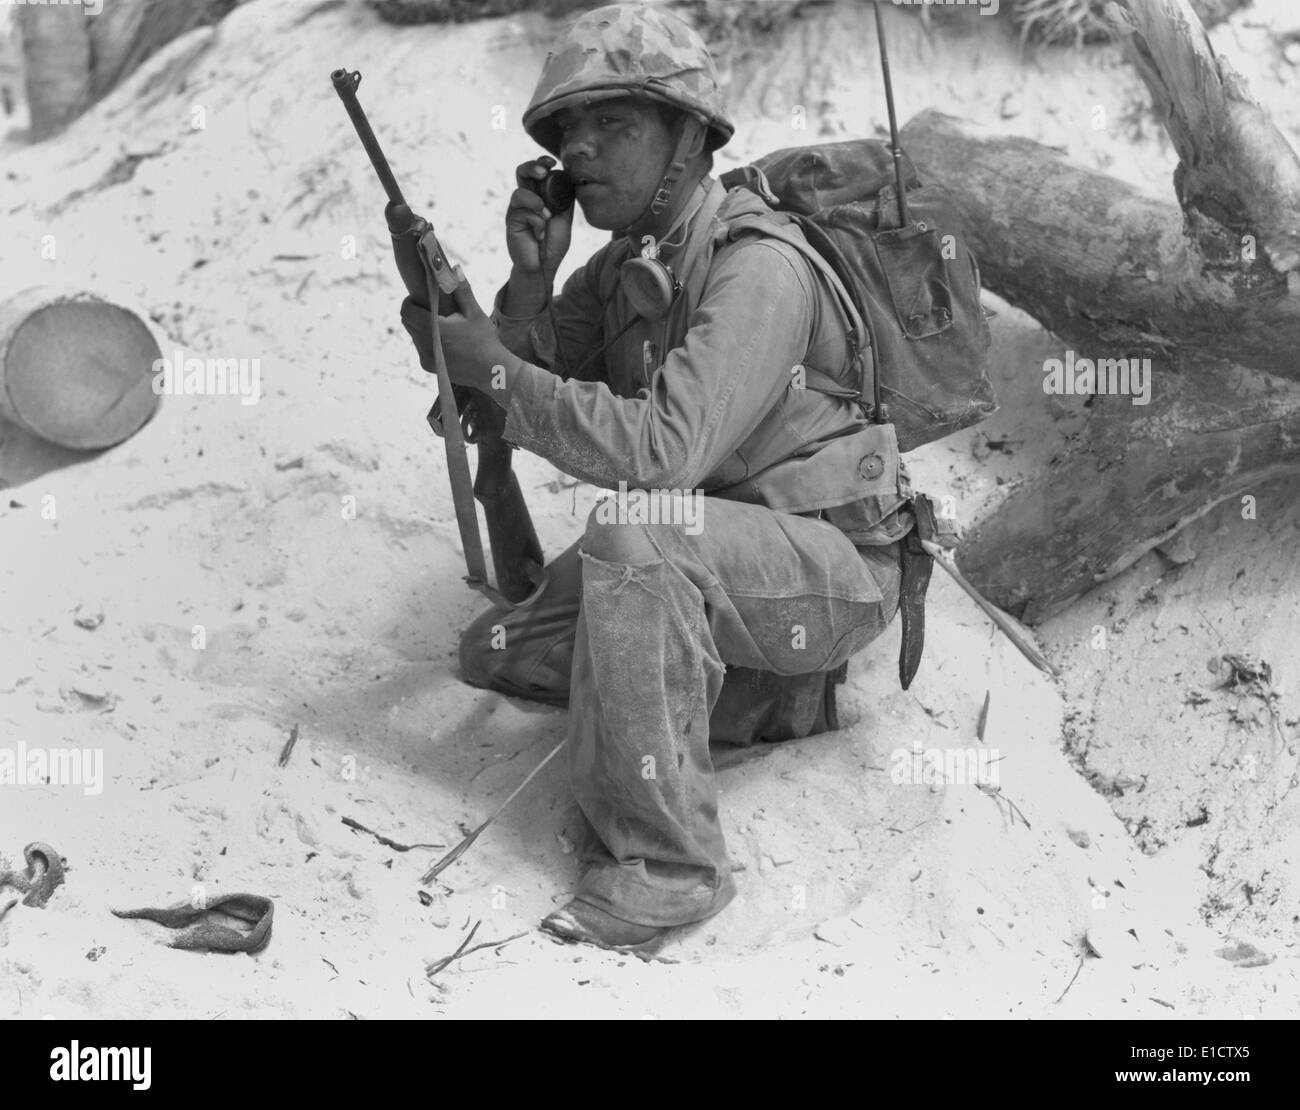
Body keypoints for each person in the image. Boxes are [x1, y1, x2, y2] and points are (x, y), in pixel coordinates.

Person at [401, 2, 913, 950]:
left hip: (831, 567)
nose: (581, 151)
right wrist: (527, 281)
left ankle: (671, 864)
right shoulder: (627, 262)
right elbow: (537, 372)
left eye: (614, 126)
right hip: (711, 549)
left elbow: (660, 452)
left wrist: (501, 369)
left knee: (631, 536)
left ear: (689, 138)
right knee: (501, 652)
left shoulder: (760, 266)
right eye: (568, 132)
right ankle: (740, 693)